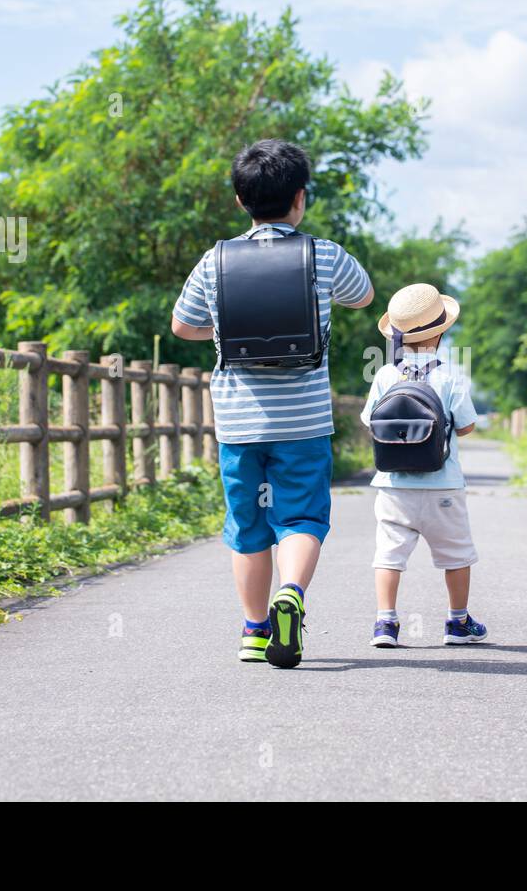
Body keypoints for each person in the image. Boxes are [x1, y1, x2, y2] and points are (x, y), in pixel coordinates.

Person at [171, 138, 374, 669]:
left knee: (248, 529)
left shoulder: (214, 261)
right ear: (300, 199)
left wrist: (230, 330)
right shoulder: (324, 254)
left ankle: (254, 629)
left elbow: (182, 325)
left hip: (238, 423)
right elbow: (366, 295)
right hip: (304, 420)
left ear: (241, 200)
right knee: (301, 517)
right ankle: (292, 595)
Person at [360, 283, 486, 649]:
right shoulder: (449, 376)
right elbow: (466, 425)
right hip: (443, 484)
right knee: (456, 554)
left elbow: (370, 420)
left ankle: (385, 623)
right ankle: (458, 622)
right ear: (441, 333)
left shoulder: (385, 375)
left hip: (392, 486)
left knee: (389, 553)